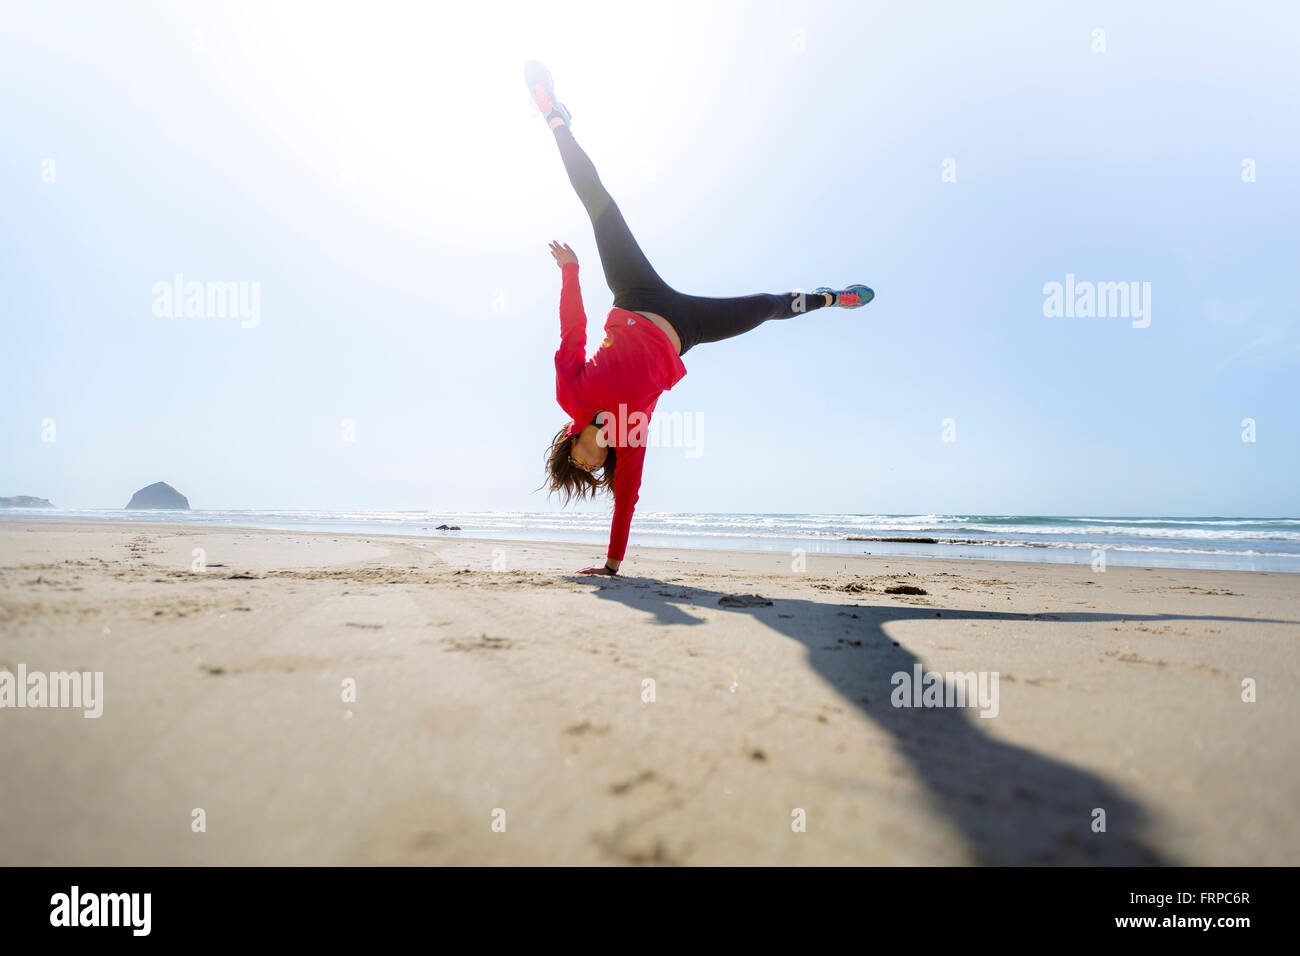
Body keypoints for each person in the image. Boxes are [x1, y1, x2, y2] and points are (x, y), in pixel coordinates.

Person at [528, 61, 873, 576]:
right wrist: (612, 566)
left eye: (576, 463)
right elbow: (628, 498)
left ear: (569, 440)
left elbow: (573, 332)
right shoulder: (628, 435)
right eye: (587, 473)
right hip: (685, 329)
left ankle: (554, 116)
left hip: (635, 294)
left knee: (599, 204)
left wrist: (572, 271)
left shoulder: (571, 396)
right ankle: (828, 300)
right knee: (765, 307)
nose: (588, 467)